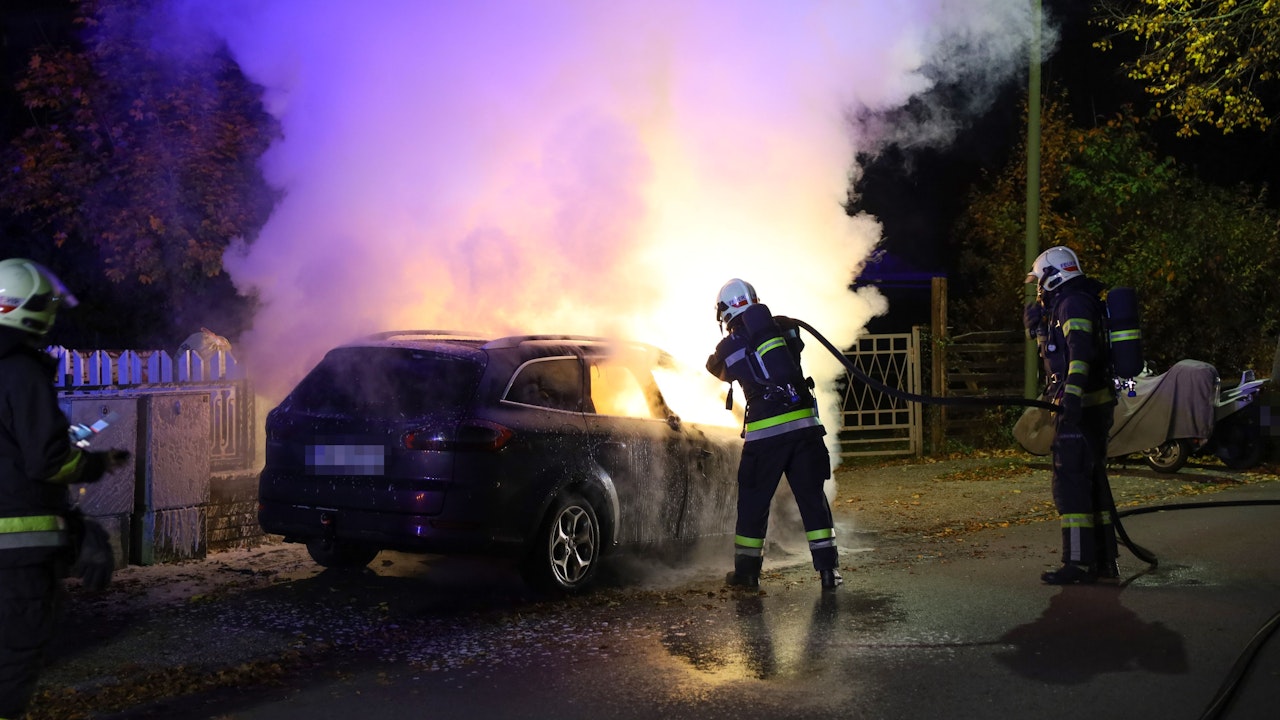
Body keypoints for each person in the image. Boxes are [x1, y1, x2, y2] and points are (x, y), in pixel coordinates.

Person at [0, 258, 128, 720]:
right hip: (17, 554)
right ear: (29, 310)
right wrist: (95, 464)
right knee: (14, 657)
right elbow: (48, 460)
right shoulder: (20, 371)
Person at [706, 278, 841, 591]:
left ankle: (747, 574)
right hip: (805, 430)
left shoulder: (728, 347)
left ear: (725, 312)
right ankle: (828, 573)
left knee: (754, 503)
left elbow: (715, 368)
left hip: (765, 439)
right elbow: (796, 347)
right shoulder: (786, 328)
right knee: (812, 500)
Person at [1023, 247, 1119, 585]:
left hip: (1082, 407)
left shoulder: (1072, 303)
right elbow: (1055, 358)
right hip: (1092, 404)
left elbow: (1080, 357)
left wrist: (1073, 399)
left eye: (1040, 281)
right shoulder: (1073, 301)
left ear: (1053, 275)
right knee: (1093, 482)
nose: (1038, 289)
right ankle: (1105, 561)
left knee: (1071, 483)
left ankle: (1078, 563)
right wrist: (1037, 331)